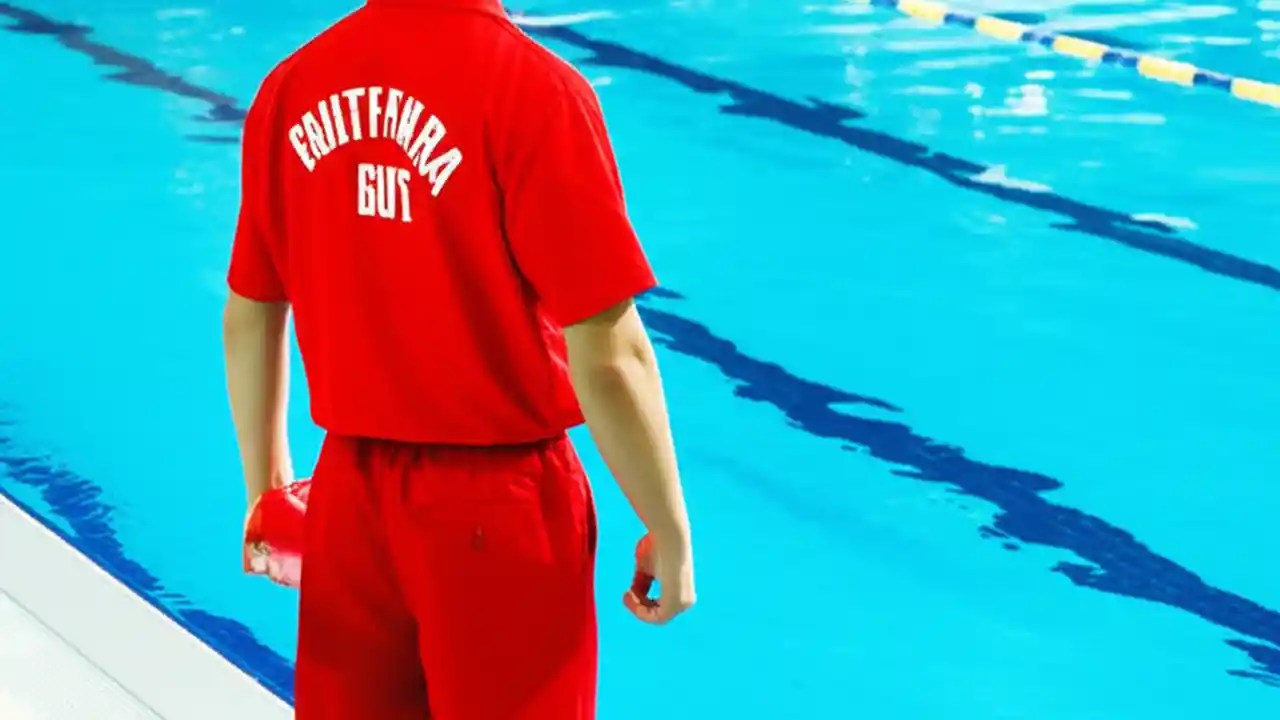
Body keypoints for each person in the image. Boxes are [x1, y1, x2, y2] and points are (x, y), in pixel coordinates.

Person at [221, 1, 696, 717]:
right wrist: (668, 525)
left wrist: (268, 491)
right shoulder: (534, 91)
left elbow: (252, 310)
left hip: (350, 498)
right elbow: (610, 356)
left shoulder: (293, 86)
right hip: (500, 508)